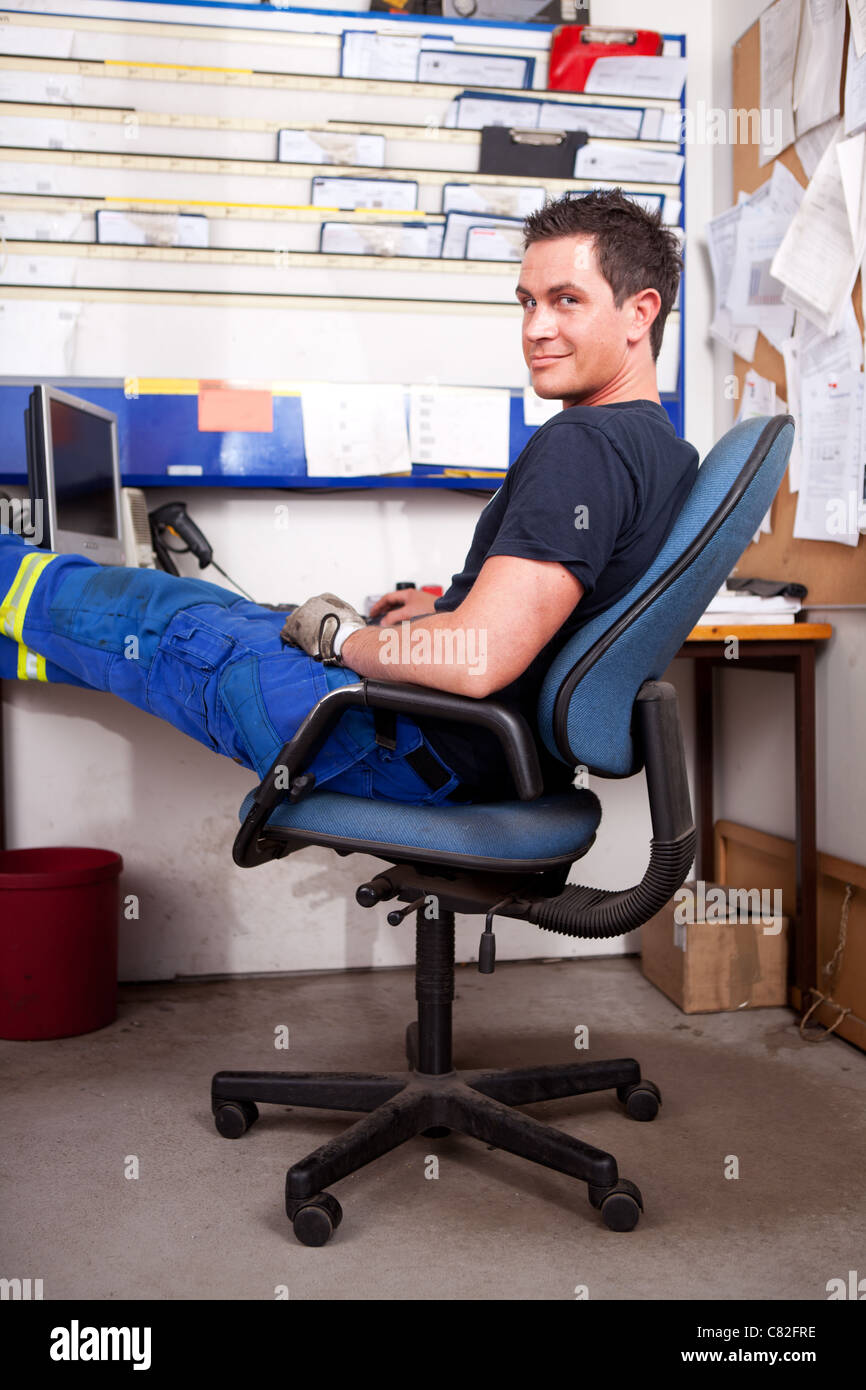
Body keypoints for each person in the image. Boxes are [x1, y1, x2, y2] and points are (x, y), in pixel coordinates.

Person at [0, 189, 699, 805]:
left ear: (640, 313)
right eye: (527, 302)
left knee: (157, 613)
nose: (536, 328)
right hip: (482, 752)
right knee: (210, 610)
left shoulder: (583, 444)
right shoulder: (662, 450)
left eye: (566, 301)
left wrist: (346, 639)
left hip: (409, 745)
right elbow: (566, 608)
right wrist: (443, 611)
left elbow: (478, 658)